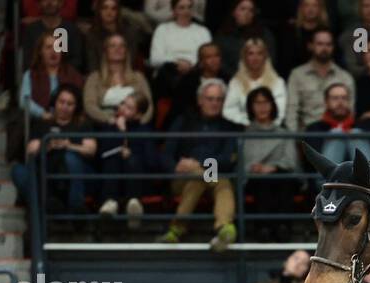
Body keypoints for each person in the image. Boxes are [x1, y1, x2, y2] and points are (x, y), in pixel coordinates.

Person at [157, 78, 240, 251]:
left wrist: (200, 164)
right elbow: (165, 155)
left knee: (207, 178)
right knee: (214, 180)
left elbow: (227, 158)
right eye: (210, 99)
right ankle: (224, 227)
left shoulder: (228, 127)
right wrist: (175, 167)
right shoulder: (183, 121)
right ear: (200, 100)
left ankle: (176, 229)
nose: (214, 103)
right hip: (181, 179)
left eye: (219, 99)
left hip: (213, 177)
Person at [10, 84, 97, 219]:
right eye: (61, 102)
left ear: (76, 107)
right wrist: (47, 145)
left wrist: (69, 145)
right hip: (46, 174)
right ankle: (44, 205)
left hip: (73, 176)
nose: (64, 107)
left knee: (71, 158)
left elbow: (91, 149)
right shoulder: (43, 124)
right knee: (18, 170)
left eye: (70, 104)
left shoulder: (82, 124)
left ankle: (74, 206)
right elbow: (31, 150)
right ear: (55, 102)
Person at [239, 86, 296, 241]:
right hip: (255, 179)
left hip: (281, 175)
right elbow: (243, 163)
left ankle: (284, 227)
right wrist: (257, 168)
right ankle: (263, 228)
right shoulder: (244, 134)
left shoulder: (284, 133)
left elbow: (291, 162)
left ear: (273, 105)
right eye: (257, 103)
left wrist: (273, 167)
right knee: (263, 181)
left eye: (266, 102)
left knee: (283, 179)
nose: (262, 107)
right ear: (251, 107)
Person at [95, 91, 157, 230]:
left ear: (139, 114)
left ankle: (133, 205)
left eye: (129, 108)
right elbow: (101, 154)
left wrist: (129, 152)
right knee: (113, 158)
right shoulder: (110, 127)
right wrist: (120, 132)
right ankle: (110, 203)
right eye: (123, 103)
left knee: (133, 159)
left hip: (136, 180)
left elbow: (151, 161)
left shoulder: (145, 131)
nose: (122, 108)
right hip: (112, 178)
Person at [286, 28, 356, 132]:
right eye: (320, 44)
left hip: (338, 132)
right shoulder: (297, 75)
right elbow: (291, 112)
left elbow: (350, 112)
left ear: (333, 47)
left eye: (328, 44)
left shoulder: (345, 77)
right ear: (310, 46)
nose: (324, 48)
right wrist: (294, 140)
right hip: (308, 135)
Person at [85, 33, 155, 125]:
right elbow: (89, 105)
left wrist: (140, 122)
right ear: (106, 52)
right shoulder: (94, 78)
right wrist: (110, 119)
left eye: (122, 46)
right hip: (105, 125)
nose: (117, 49)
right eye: (113, 46)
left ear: (126, 51)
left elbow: (149, 105)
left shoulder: (139, 77)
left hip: (135, 125)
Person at [303, 82, 370, 167]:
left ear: (349, 102)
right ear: (326, 102)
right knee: (337, 133)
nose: (340, 102)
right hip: (327, 177)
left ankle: (368, 177)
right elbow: (312, 162)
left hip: (358, 178)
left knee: (355, 133)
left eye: (344, 98)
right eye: (335, 98)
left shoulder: (363, 127)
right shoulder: (314, 129)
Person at [149, 0, 212, 98]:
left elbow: (208, 57)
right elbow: (155, 59)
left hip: (194, 73)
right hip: (168, 74)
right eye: (182, 8)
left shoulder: (203, 31)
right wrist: (177, 63)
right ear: (174, 11)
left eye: (189, 7)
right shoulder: (162, 29)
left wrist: (189, 65)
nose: (186, 11)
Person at [19, 32, 85, 126]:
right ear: (40, 51)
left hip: (70, 123)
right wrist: (43, 114)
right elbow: (24, 101)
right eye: (48, 47)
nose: (53, 51)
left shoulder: (73, 74)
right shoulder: (30, 74)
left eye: (57, 47)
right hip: (40, 122)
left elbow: (81, 101)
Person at [223, 36, 286, 126]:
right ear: (244, 57)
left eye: (259, 53)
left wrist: (267, 126)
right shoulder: (236, 82)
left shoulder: (278, 82)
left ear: (265, 57)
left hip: (272, 130)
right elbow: (228, 110)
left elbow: (280, 112)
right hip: (244, 130)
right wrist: (249, 123)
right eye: (251, 54)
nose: (255, 58)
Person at [215, 0, 277, 75]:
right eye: (243, 9)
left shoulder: (263, 34)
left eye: (251, 10)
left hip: (260, 77)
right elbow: (220, 62)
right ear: (234, 12)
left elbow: (270, 59)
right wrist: (238, 77)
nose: (247, 14)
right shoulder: (223, 34)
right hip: (231, 79)